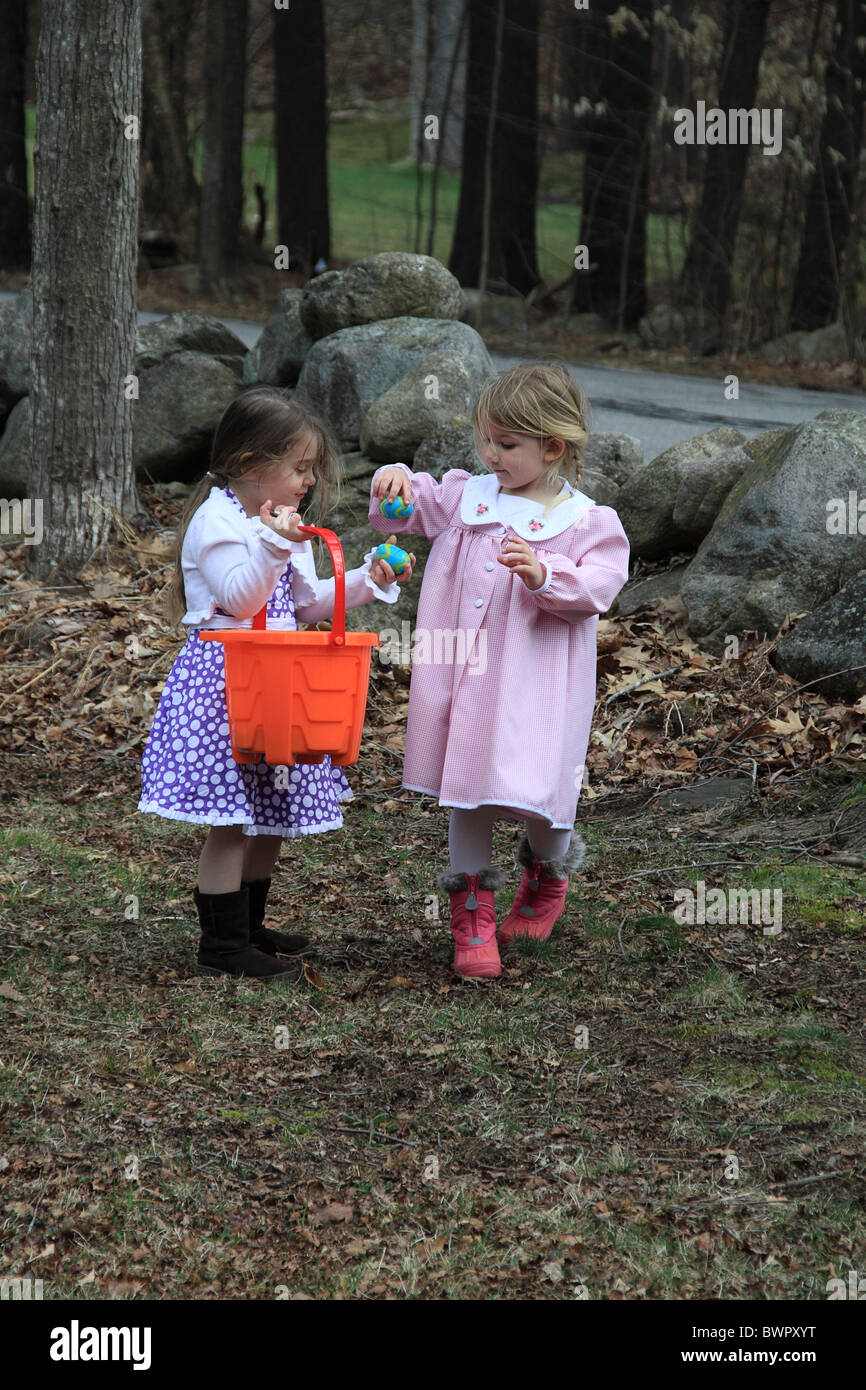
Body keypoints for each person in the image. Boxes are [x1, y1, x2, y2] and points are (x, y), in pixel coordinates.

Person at [139, 387, 415, 980]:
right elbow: (239, 598)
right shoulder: (217, 522)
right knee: (233, 819)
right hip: (226, 682)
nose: (308, 480)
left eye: (311, 468)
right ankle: (222, 947)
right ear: (248, 465)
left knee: (269, 812)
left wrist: (370, 577)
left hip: (276, 678)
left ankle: (249, 927)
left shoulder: (283, 527)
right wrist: (274, 545)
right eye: (300, 467)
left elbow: (308, 601)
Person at [369, 362, 629, 980]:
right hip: (465, 677)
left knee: (542, 794)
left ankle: (546, 880)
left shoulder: (586, 522)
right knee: (469, 789)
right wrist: (393, 483)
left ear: (553, 447)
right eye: (485, 439)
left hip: (538, 687)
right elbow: (405, 511)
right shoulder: (468, 497)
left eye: (506, 444)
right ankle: (473, 914)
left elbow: (599, 587)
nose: (490, 454)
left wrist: (543, 574)